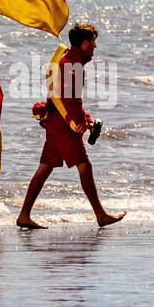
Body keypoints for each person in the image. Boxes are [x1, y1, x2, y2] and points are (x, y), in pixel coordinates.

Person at [16, 22, 125, 230]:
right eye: (93, 42)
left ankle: (24, 215)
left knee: (45, 168)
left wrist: (86, 119)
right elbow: (67, 99)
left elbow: (70, 99)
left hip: (57, 121)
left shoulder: (71, 61)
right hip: (62, 124)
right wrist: (77, 122)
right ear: (85, 43)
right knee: (84, 165)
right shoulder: (71, 64)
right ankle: (101, 215)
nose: (95, 47)